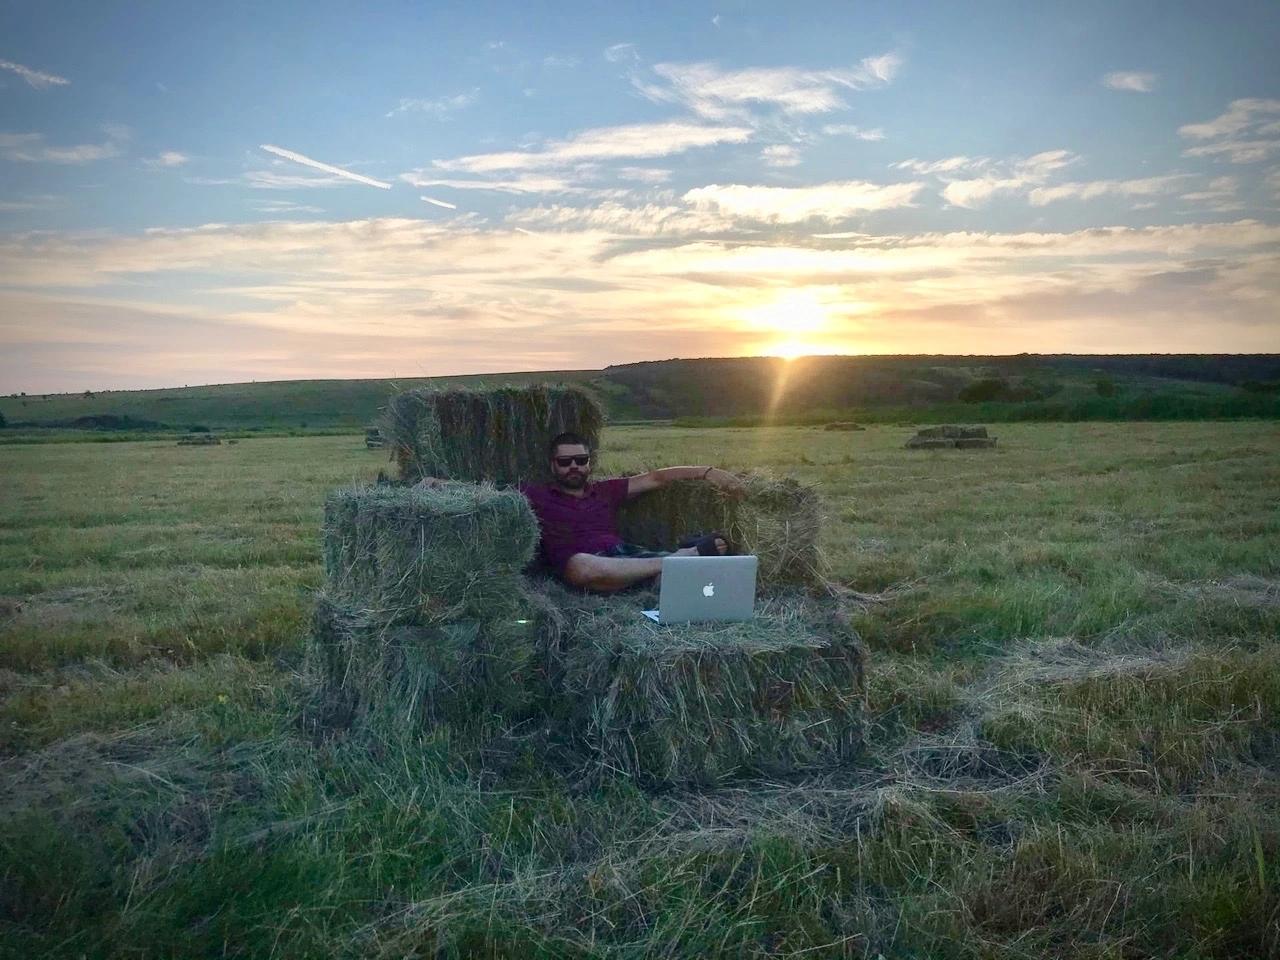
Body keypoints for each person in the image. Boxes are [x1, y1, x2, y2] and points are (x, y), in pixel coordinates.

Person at [517, 431, 745, 593]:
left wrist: (707, 472)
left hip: (624, 555)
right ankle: (681, 558)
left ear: (589, 463)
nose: (574, 466)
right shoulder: (536, 495)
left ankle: (671, 564)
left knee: (719, 547)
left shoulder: (605, 490)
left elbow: (656, 478)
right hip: (580, 564)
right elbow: (489, 497)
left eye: (581, 460)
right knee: (581, 567)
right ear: (553, 465)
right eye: (565, 461)